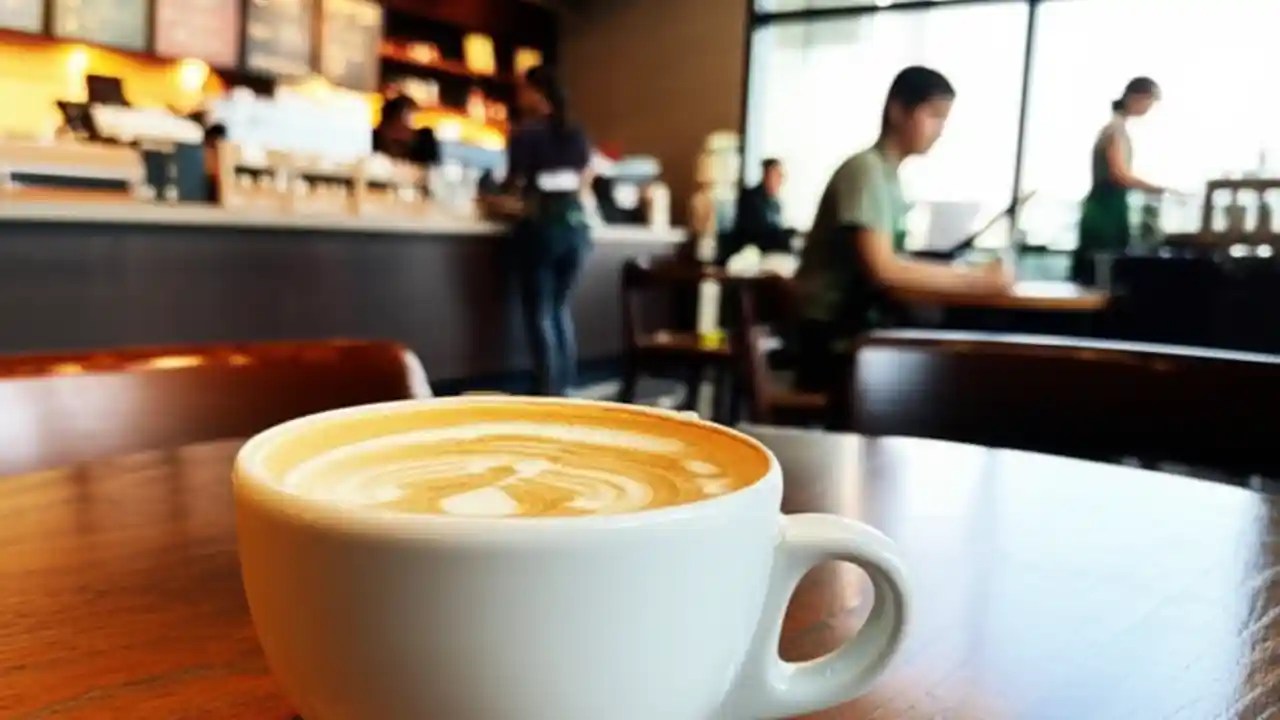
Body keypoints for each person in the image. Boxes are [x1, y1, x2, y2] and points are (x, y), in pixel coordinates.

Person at [794, 65, 1013, 394]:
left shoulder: (887, 176)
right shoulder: (865, 171)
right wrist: (977, 281)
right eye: (934, 115)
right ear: (898, 111)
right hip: (830, 337)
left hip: (854, 329)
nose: (940, 130)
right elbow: (883, 268)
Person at [497, 65, 593, 396]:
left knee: (540, 313)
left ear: (538, 93)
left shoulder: (527, 134)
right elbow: (583, 181)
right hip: (577, 230)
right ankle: (567, 389)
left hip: (541, 232)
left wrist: (491, 197)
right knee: (559, 310)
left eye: (524, 89)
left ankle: (548, 394)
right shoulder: (575, 133)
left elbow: (513, 187)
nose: (520, 96)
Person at [1075, 77, 1164, 285]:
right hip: (1106, 209)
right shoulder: (1115, 130)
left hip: (1107, 206)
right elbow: (1119, 174)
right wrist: (1156, 188)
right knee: (1101, 274)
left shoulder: (1115, 129)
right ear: (1139, 98)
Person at [727, 158, 795, 259]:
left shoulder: (776, 204)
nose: (781, 180)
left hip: (770, 253)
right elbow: (757, 232)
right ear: (767, 175)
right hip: (750, 253)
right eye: (777, 175)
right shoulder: (750, 198)